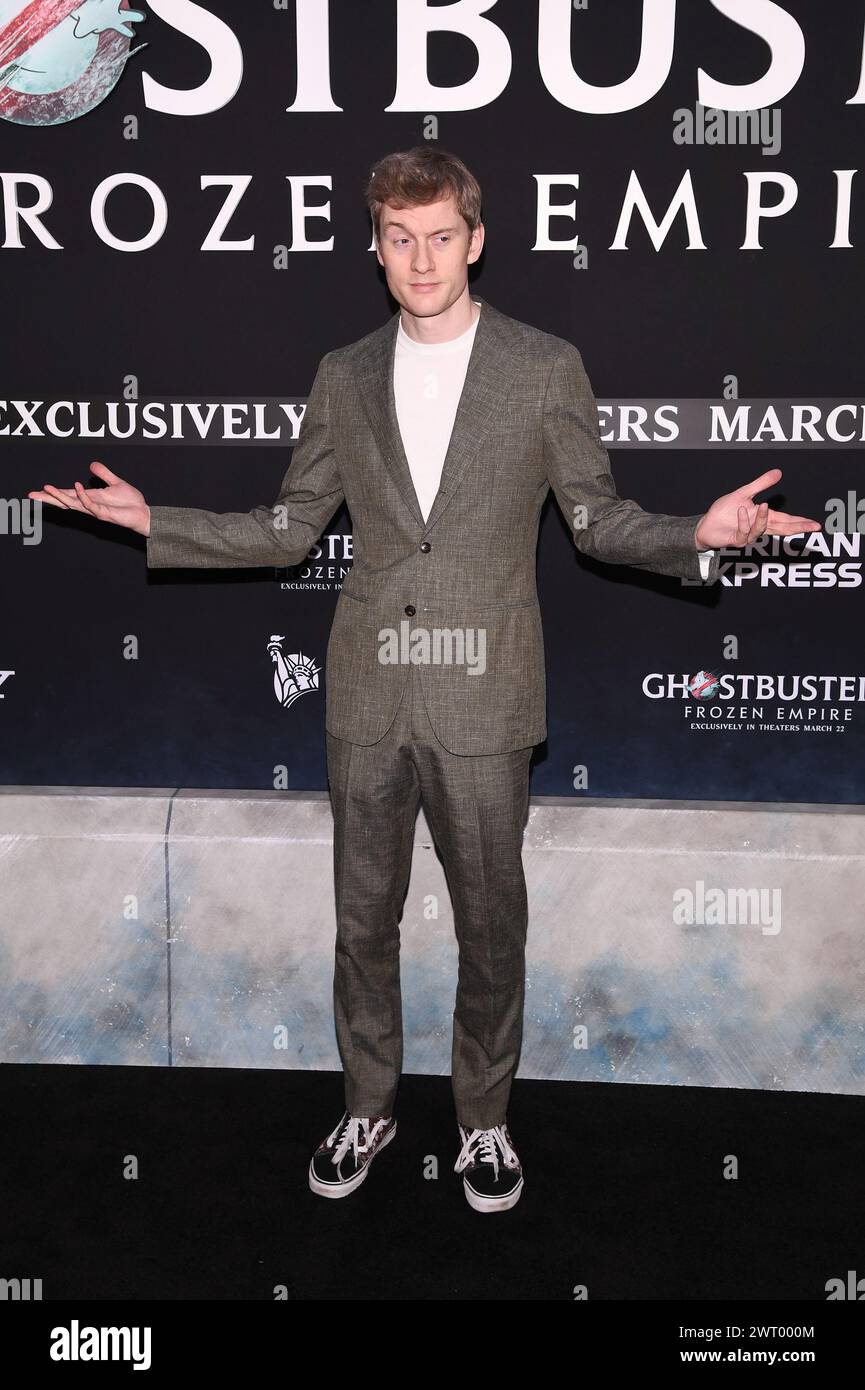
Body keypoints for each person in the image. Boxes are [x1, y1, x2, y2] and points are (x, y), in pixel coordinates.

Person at [29, 145, 822, 1214]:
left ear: (476, 240)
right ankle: (368, 1104)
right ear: (375, 246)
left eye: (440, 235)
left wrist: (699, 533)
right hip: (366, 693)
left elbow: (597, 522)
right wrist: (151, 520)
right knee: (363, 919)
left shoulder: (543, 367)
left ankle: (484, 1124)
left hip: (485, 695)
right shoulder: (343, 374)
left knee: (492, 923)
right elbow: (285, 528)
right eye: (399, 237)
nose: (421, 256)